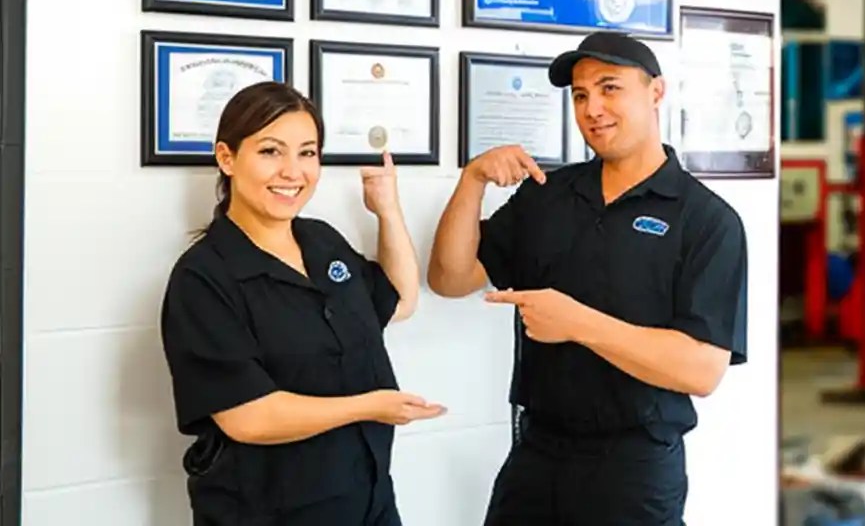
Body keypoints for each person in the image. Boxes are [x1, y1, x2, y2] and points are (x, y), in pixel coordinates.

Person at [428, 31, 749, 526]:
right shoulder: (547, 195)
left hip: (633, 470)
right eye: (580, 95)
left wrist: (577, 323)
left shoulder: (705, 220)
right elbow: (450, 278)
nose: (592, 108)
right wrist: (471, 182)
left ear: (656, 92)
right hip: (536, 454)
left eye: (609, 88)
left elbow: (701, 370)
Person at [159, 82, 445, 526]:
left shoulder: (322, 241)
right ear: (226, 158)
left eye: (308, 153)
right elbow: (247, 417)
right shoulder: (203, 278)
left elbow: (401, 300)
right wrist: (369, 406)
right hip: (265, 512)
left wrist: (386, 209)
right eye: (271, 151)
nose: (293, 171)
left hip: (366, 501)